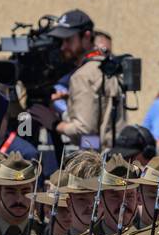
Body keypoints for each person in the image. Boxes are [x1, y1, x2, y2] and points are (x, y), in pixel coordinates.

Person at [51, 9, 122, 149]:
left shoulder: (82, 75)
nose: (63, 47)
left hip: (99, 159)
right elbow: (99, 119)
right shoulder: (107, 68)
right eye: (62, 41)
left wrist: (54, 124)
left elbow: (85, 131)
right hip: (115, 159)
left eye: (69, 39)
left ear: (86, 36)